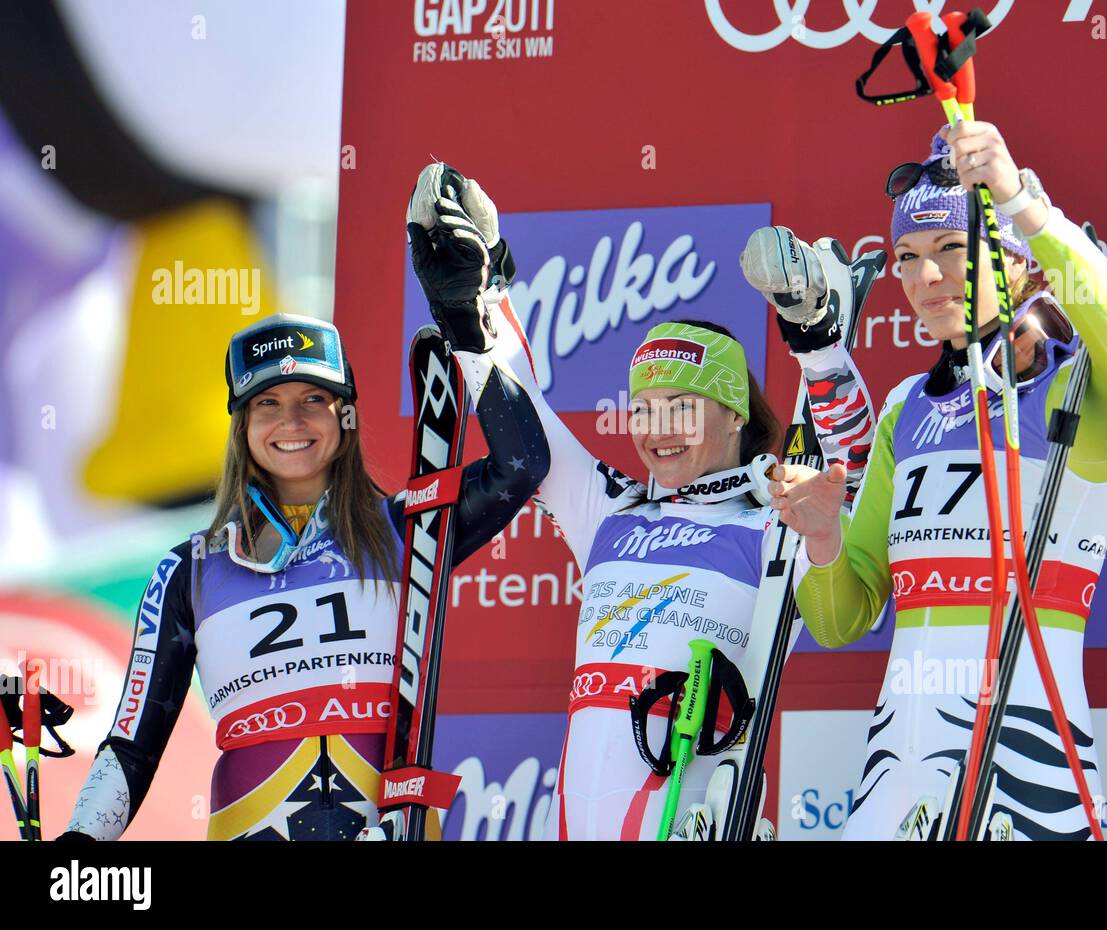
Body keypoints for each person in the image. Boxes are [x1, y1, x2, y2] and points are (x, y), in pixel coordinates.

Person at [60, 174, 549, 841]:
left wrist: (466, 323)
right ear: (242, 427)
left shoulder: (406, 530)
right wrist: (79, 845)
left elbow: (522, 465)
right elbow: (131, 745)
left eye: (313, 400)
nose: (292, 420)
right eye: (268, 402)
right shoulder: (190, 572)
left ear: (345, 417)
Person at [412, 168, 878, 839]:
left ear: (733, 417)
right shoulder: (610, 510)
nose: (659, 429)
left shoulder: (773, 521)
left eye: (683, 408)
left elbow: (847, 469)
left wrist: (817, 343)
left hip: (695, 806)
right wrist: (469, 310)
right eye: (646, 409)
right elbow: (530, 420)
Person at [770, 122, 1107, 840]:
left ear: (1017, 262)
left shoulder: (1072, 393)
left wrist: (1019, 201)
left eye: (952, 249)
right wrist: (823, 538)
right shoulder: (904, 410)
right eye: (907, 258)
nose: (925, 278)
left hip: (1028, 778)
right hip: (895, 780)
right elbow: (839, 619)